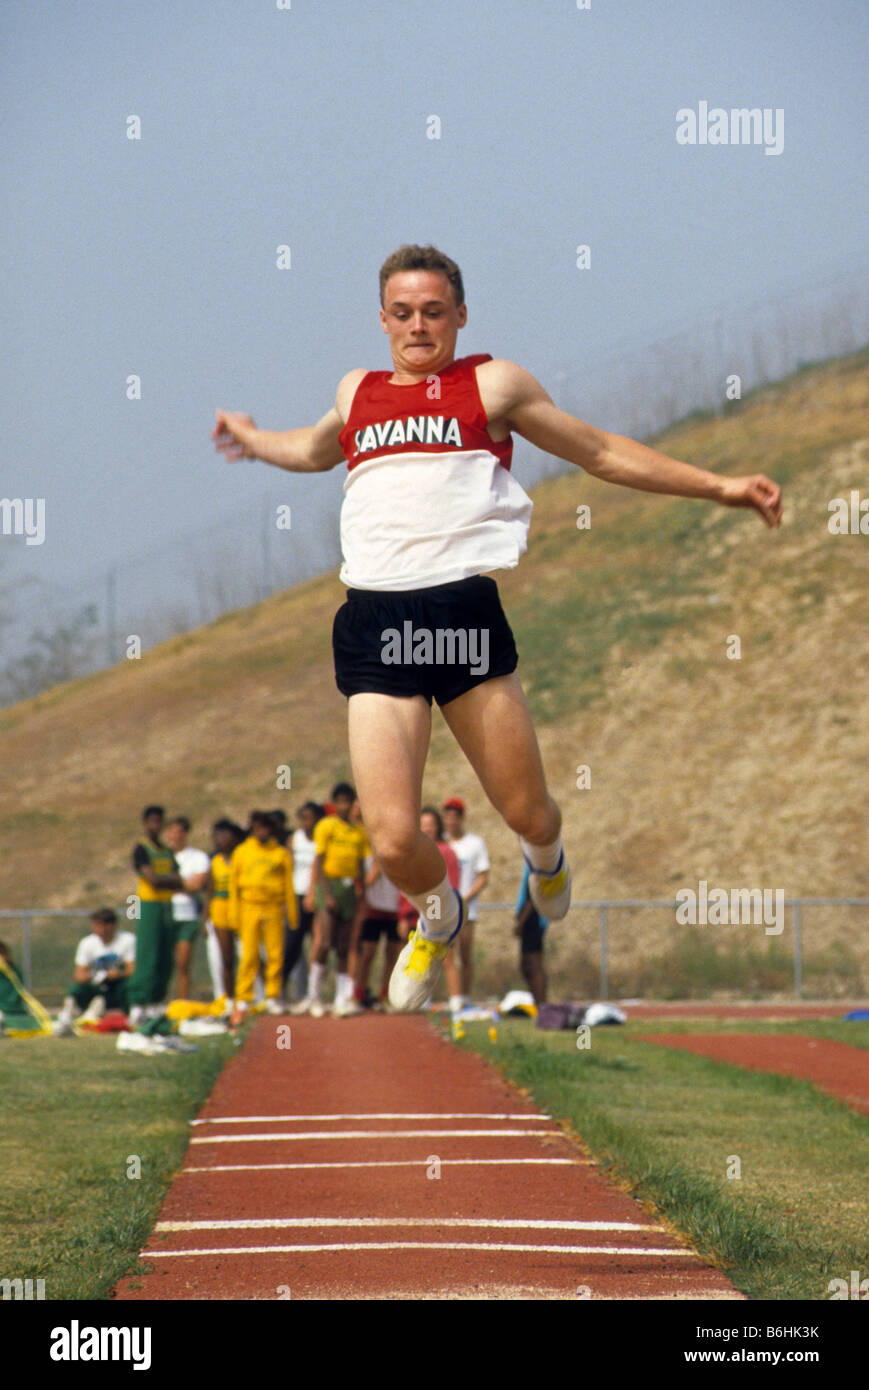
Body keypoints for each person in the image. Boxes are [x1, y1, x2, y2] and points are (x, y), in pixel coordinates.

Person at [213, 243, 782, 1012]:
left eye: (434, 312)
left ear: (459, 315)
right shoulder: (357, 393)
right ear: (382, 320)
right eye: (404, 313)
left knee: (526, 810)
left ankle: (544, 856)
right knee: (389, 839)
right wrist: (250, 439)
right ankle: (438, 912)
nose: (419, 325)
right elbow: (311, 451)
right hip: (374, 622)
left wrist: (721, 487)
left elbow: (602, 452)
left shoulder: (491, 384)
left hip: (462, 618)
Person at [293, 782, 367, 1017]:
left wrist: (361, 893)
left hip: (349, 888)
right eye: (340, 801)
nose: (345, 806)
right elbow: (319, 861)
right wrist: (323, 892)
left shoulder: (358, 832)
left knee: (345, 947)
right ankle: (314, 995)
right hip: (330, 885)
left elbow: (360, 866)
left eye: (348, 801)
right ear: (334, 804)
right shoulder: (326, 826)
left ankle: (341, 999)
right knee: (324, 942)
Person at [228, 811, 297, 1025]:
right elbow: (233, 886)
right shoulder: (242, 852)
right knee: (249, 955)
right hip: (249, 906)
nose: (262, 832)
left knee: (275, 954)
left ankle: (273, 996)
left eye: (266, 828)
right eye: (258, 828)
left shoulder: (280, 853)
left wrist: (292, 915)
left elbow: (288, 886)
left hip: (273, 907)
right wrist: (234, 915)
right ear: (252, 829)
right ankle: (244, 999)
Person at [127, 806, 185, 1026]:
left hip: (167, 905)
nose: (155, 826)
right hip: (149, 904)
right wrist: (168, 880)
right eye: (151, 821)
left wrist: (168, 881)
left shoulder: (166, 851)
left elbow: (179, 880)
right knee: (148, 954)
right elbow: (153, 880)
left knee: (165, 958)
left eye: (159, 821)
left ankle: (156, 1001)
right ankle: (138, 1003)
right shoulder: (142, 849)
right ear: (145, 823)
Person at [442, 797, 489, 1010]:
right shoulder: (441, 843)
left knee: (466, 954)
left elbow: (483, 876)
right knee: (447, 954)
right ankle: (455, 997)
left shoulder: (474, 844)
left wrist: (465, 897)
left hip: (467, 908)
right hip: (445, 907)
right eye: (448, 816)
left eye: (455, 816)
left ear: (462, 818)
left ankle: (466, 996)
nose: (451, 820)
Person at [56, 908, 137, 1027]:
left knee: (132, 985)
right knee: (76, 989)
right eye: (96, 925)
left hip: (118, 985)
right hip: (97, 984)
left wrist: (119, 974)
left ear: (112, 925)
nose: (99, 930)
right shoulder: (87, 943)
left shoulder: (128, 940)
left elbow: (133, 970)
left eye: (102, 925)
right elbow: (78, 975)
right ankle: (71, 1012)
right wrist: (95, 975)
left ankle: (134, 1013)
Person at [164, 816, 211, 1001]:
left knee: (183, 964)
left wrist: (169, 883)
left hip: (187, 915)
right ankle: (160, 1002)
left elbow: (197, 884)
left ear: (185, 833)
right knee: (163, 962)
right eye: (171, 831)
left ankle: (183, 1002)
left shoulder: (198, 857)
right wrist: (183, 883)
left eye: (177, 831)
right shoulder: (162, 856)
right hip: (165, 913)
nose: (173, 836)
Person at [282, 801, 322, 1003]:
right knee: (292, 944)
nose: (307, 822)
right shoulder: (294, 839)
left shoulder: (321, 839)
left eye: (310, 818)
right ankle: (280, 990)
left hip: (317, 895)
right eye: (303, 818)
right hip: (297, 895)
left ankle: (313, 993)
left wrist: (314, 893)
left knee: (319, 943)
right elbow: (287, 869)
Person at [203, 818, 245, 1006]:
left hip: (241, 909)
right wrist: (205, 918)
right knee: (226, 958)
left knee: (248, 956)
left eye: (225, 835)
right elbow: (209, 892)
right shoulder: (215, 861)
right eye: (217, 836)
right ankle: (229, 1000)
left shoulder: (241, 857)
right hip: (220, 910)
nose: (220, 839)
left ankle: (251, 996)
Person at [514, 861, 548, 1005]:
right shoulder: (530, 861)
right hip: (529, 919)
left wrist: (521, 922)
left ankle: (542, 1006)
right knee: (526, 966)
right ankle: (538, 1004)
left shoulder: (537, 862)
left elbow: (532, 897)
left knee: (534, 965)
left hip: (533, 919)